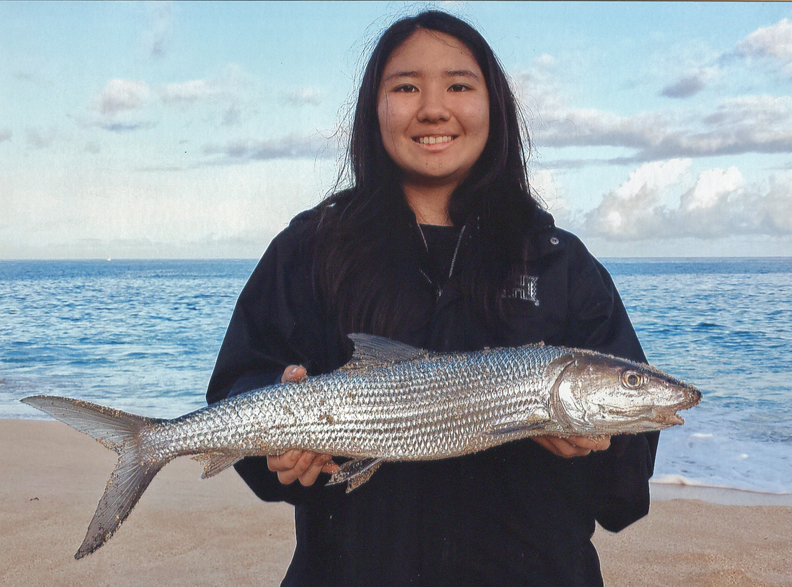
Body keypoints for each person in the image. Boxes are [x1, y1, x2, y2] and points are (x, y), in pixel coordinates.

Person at [207, 10, 658, 587]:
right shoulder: (310, 249)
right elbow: (239, 387)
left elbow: (627, 491)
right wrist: (276, 441)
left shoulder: (559, 262)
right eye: (406, 87)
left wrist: (601, 445)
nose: (433, 108)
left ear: (494, 105)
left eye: (459, 85)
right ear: (374, 108)